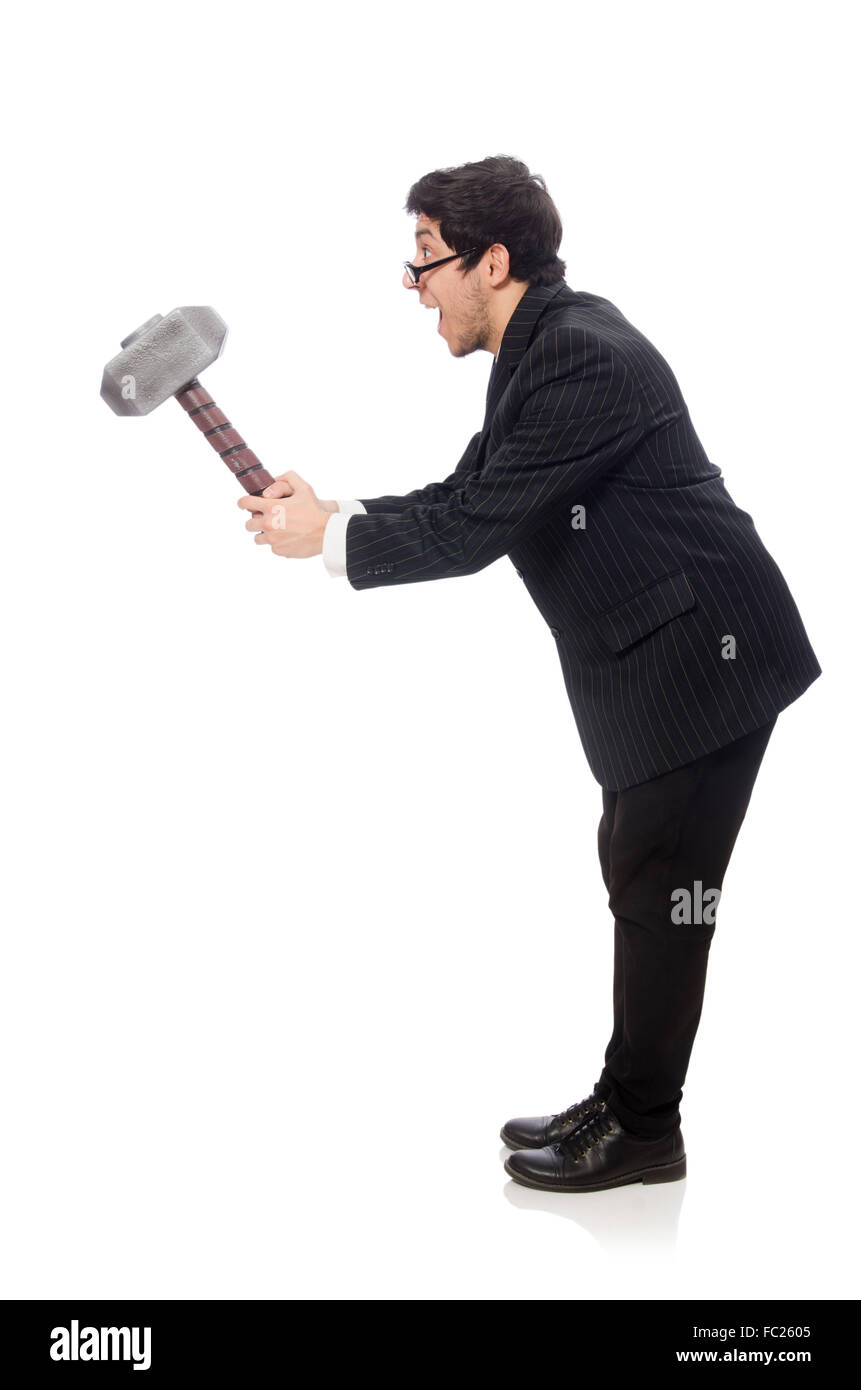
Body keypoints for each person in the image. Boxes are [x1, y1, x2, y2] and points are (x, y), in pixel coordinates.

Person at [238, 155, 822, 1193]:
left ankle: (645, 1130)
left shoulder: (582, 357)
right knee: (642, 878)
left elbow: (472, 532)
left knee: (661, 891)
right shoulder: (542, 343)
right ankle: (625, 1092)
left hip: (703, 664)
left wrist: (326, 542)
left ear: (492, 260)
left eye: (425, 261)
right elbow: (476, 491)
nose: (414, 286)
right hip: (658, 659)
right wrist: (337, 514)